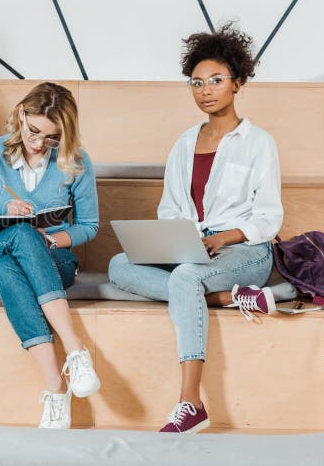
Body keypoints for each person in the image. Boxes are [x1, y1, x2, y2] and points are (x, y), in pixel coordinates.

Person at [108, 23, 283, 433]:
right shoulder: (184, 143)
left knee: (186, 278)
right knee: (118, 265)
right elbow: (170, 207)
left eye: (216, 80)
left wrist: (223, 237)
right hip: (195, 248)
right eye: (197, 82)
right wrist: (179, 240)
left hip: (246, 251)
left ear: (237, 83)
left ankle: (191, 403)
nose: (205, 90)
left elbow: (268, 216)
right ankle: (228, 297)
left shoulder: (259, 143)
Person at [0, 82, 101, 429]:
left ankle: (57, 392)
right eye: (34, 130)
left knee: (9, 271)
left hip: (49, 258)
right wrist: (9, 219)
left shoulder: (77, 161)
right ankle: (75, 350)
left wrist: (53, 240)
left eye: (52, 137)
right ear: (20, 114)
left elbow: (88, 226)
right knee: (20, 238)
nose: (39, 143)